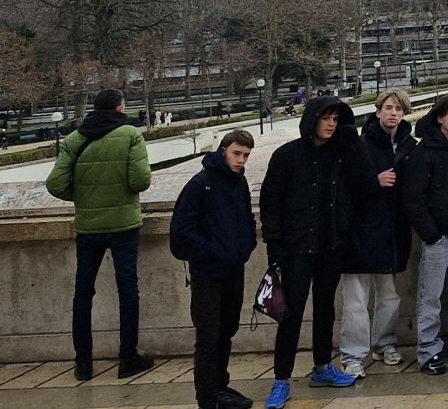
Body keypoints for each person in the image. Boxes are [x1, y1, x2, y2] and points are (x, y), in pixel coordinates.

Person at [259, 95, 368, 405]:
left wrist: (353, 140)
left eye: (336, 119)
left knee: (325, 309)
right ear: (312, 120)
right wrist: (275, 246)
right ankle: (281, 379)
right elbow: (271, 203)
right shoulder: (287, 156)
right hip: (296, 249)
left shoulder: (342, 154)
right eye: (326, 118)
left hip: (331, 245)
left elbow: (364, 187)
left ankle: (322, 367)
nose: (331, 124)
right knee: (290, 315)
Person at [46, 87, 154, 382]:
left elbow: (55, 184)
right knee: (128, 292)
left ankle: (83, 364)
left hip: (89, 228)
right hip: (123, 226)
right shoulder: (131, 135)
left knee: (83, 294)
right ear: (120, 109)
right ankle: (128, 358)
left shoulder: (73, 139)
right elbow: (140, 180)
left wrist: (83, 197)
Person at [169, 129, 257, 409]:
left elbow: (246, 219)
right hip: (208, 274)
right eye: (236, 154)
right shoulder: (200, 184)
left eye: (245, 155)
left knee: (226, 332)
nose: (241, 160)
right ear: (223, 151)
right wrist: (214, 253)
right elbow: (182, 234)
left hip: (233, 270)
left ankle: (220, 388)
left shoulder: (239, 183)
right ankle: (207, 399)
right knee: (208, 338)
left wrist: (244, 248)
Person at [339, 91, 414, 380]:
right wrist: (375, 182)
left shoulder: (408, 146)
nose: (393, 113)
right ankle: (353, 355)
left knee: (390, 296)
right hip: (360, 233)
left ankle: (384, 343)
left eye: (399, 109)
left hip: (392, 232)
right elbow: (344, 189)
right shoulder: (358, 145)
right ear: (378, 110)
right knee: (356, 300)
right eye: (388, 108)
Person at [403, 93, 448, 375]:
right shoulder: (424, 152)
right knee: (430, 295)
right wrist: (431, 234)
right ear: (440, 117)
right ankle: (428, 350)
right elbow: (413, 198)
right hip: (438, 237)